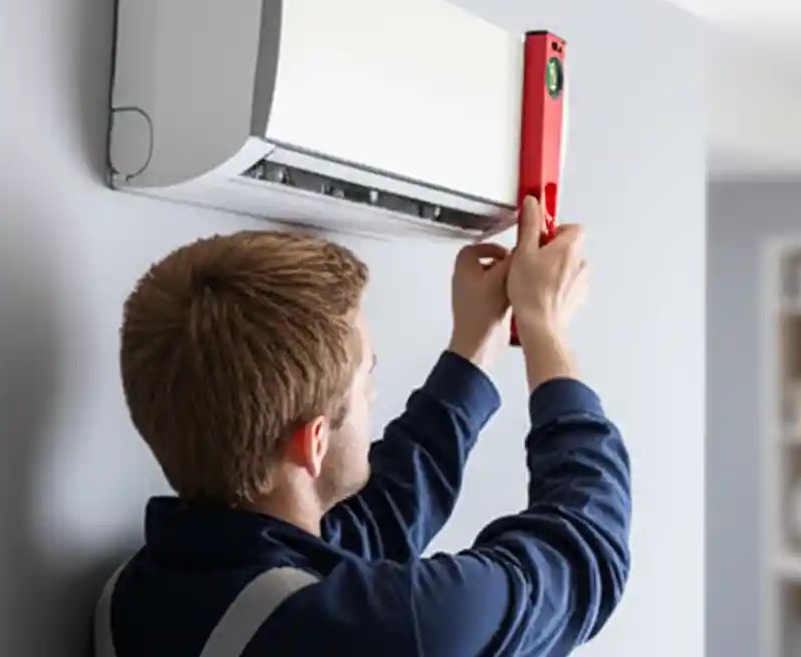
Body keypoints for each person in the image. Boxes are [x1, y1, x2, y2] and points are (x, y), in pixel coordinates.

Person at [95, 197, 631, 656]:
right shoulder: (390, 629)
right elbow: (585, 556)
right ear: (315, 442)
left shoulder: (140, 594)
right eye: (367, 373)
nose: (374, 390)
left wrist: (474, 343)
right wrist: (544, 329)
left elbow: (380, 519)